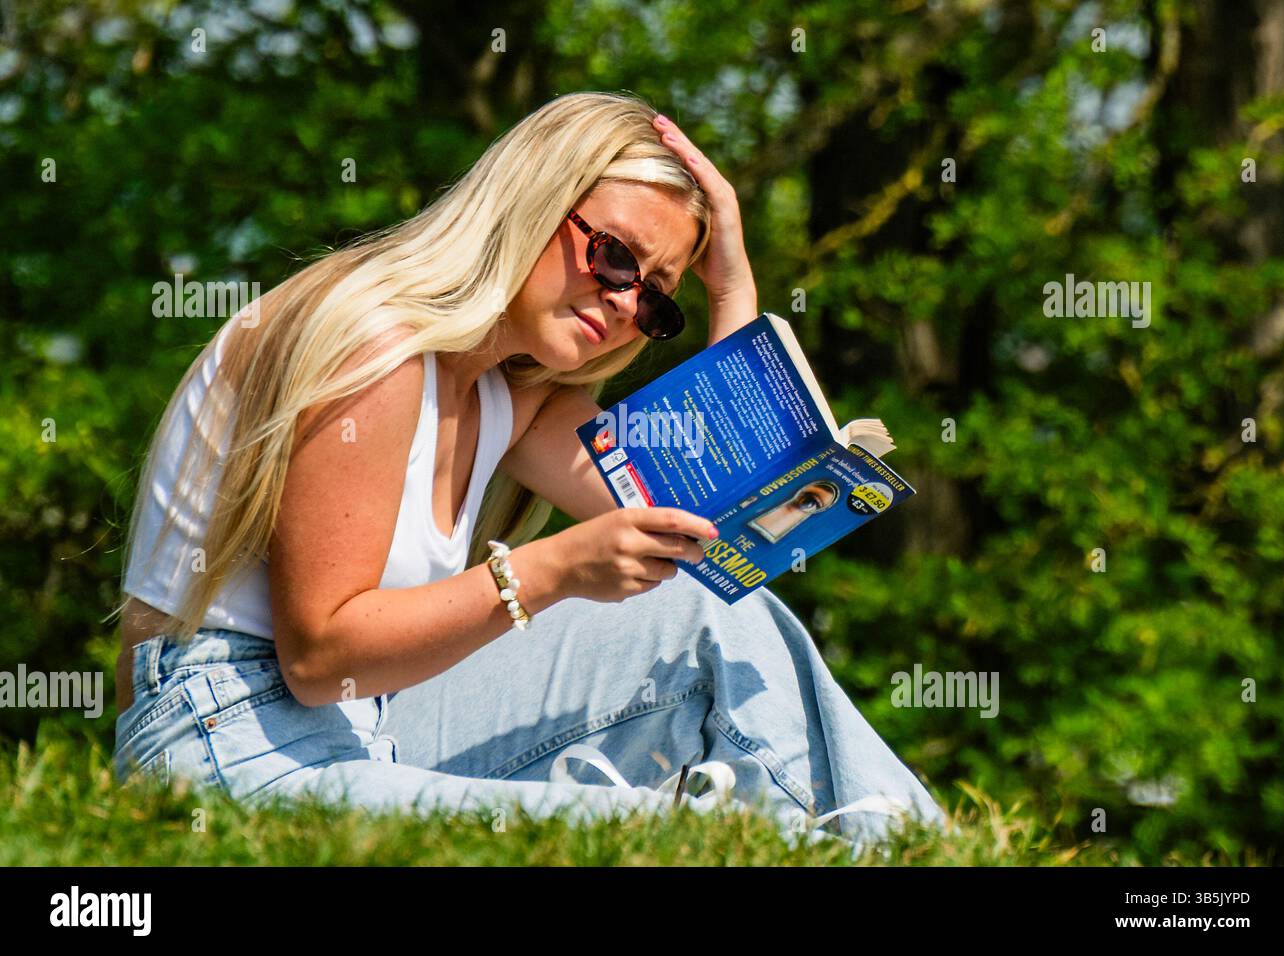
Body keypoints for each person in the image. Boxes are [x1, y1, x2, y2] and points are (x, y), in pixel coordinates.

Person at [110, 90, 946, 851]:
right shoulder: (375, 343)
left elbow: (722, 524)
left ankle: (913, 852)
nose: (625, 304)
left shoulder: (511, 398)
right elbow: (320, 657)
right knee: (665, 837)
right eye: (615, 258)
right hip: (228, 735)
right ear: (534, 198)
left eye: (657, 301)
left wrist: (732, 285)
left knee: (708, 616)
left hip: (375, 720)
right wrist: (548, 571)